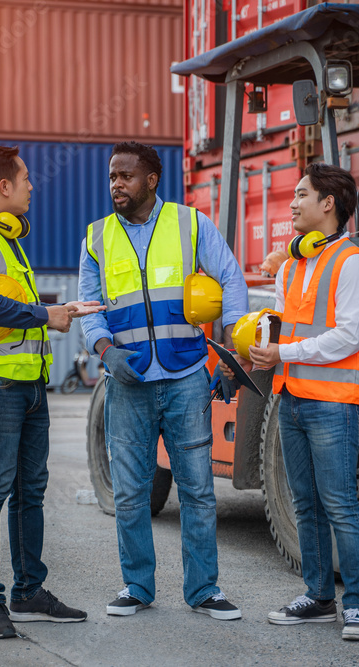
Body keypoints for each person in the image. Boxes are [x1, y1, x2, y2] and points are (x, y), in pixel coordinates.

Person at [78, 141, 249, 620]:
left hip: (186, 377)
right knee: (131, 492)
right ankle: (136, 586)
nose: (116, 185)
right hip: (128, 383)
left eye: (126, 176)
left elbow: (231, 279)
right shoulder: (96, 237)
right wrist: (105, 350)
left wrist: (234, 342)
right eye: (112, 176)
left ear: (151, 180)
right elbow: (88, 309)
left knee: (197, 489)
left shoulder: (191, 224)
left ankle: (204, 590)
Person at [0, 145, 104, 639]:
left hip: (28, 382)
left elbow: (10, 304)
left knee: (29, 489)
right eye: (26, 179)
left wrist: (58, 312)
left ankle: (29, 592)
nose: (33, 186)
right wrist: (44, 315)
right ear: (5, 187)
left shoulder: (7, 239)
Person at [248, 162, 359, 641]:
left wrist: (282, 350)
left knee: (341, 504)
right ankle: (319, 595)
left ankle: (358, 607)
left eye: (301, 194)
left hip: (333, 403)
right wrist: (259, 350)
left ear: (329, 204)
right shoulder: (295, 266)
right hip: (291, 398)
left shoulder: (354, 265)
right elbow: (283, 325)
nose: (292, 202)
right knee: (305, 503)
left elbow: (347, 337)